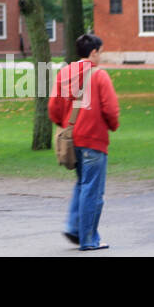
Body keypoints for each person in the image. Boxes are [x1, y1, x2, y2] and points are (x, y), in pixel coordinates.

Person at [49, 33, 120, 252]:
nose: (101, 56)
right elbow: (110, 109)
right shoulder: (99, 76)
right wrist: (113, 125)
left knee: (82, 184)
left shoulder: (64, 73)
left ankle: (74, 227)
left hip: (73, 141)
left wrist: (66, 123)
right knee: (93, 190)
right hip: (94, 140)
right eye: (101, 52)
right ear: (93, 52)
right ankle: (88, 239)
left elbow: (54, 108)